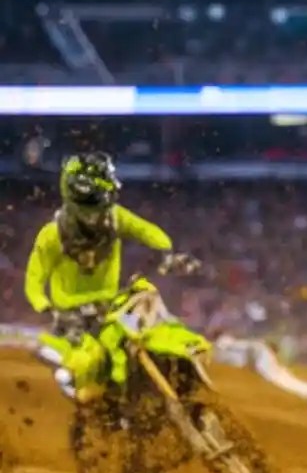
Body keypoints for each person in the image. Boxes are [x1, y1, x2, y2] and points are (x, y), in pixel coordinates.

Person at [24, 153, 198, 403]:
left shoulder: (115, 217)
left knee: (148, 322)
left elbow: (147, 231)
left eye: (99, 207)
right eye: (89, 209)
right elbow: (34, 280)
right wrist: (46, 307)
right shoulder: (52, 235)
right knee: (93, 359)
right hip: (72, 314)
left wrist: (165, 252)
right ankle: (73, 380)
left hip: (109, 304)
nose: (95, 216)